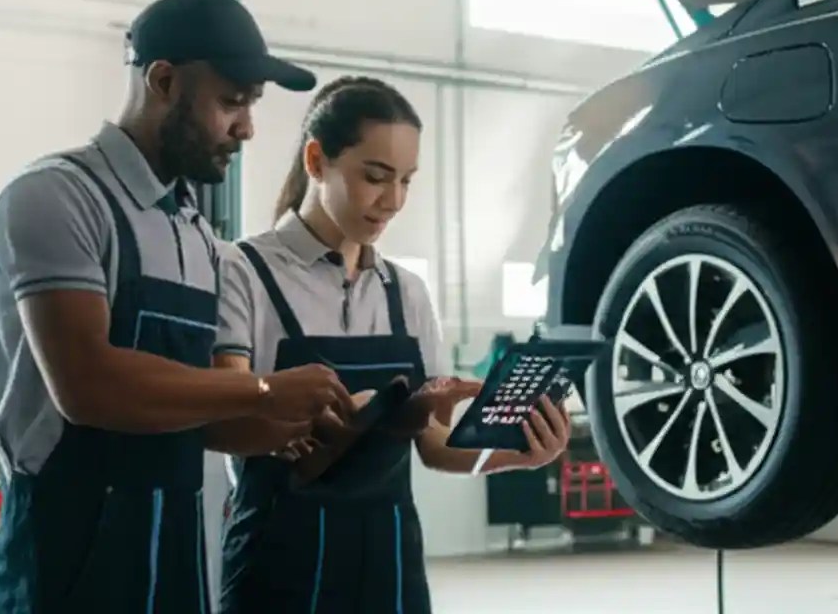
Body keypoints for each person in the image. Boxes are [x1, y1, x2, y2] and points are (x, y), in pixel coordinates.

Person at [0, 0, 357, 614]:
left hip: (177, 547)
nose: (247, 128)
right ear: (162, 81)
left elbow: (203, 415)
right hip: (66, 552)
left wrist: (315, 424)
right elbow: (87, 385)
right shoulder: (57, 198)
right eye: (232, 102)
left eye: (252, 105)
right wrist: (264, 390)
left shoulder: (198, 238)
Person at [208, 76, 573, 613]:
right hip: (277, 565)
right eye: (375, 177)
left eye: (406, 181)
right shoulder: (242, 271)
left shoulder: (407, 293)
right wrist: (306, 419)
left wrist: (518, 452)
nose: (394, 200)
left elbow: (437, 446)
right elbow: (225, 414)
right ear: (316, 160)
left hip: (391, 566)